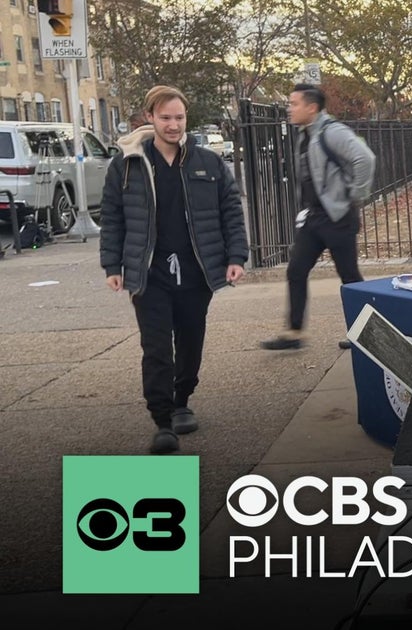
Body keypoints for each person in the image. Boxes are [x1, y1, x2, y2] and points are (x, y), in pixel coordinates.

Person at [100, 85, 248, 455]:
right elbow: (114, 217)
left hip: (196, 270)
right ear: (150, 117)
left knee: (190, 340)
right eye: (165, 117)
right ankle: (163, 420)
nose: (173, 124)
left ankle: (183, 399)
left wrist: (236, 257)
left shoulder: (207, 162)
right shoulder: (128, 163)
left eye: (179, 117)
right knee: (155, 348)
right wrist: (112, 265)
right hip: (148, 273)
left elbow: (230, 209)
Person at [261, 84, 376, 350]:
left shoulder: (332, 132)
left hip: (337, 217)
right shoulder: (306, 134)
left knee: (349, 277)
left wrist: (354, 194)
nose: (290, 109)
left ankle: (366, 334)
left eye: (294, 104)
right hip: (314, 218)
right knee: (296, 270)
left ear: (311, 107)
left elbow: (365, 159)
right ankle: (293, 332)